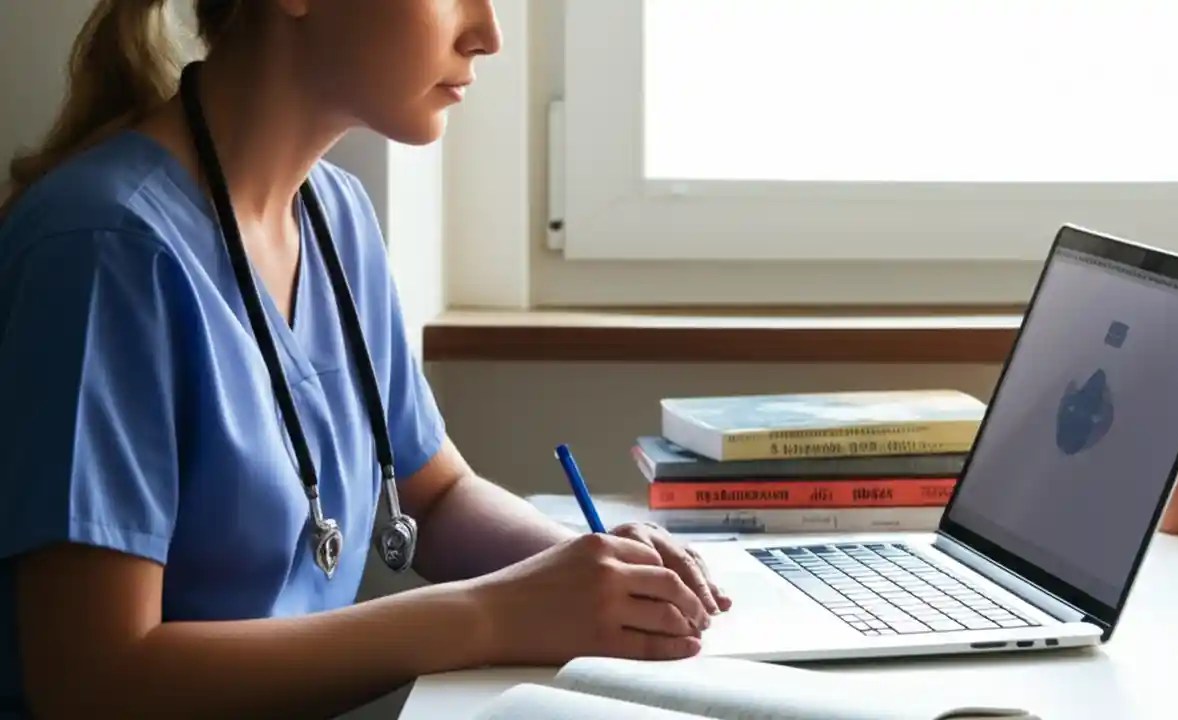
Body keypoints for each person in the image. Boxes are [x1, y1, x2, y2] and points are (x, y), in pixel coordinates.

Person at [0, 1, 731, 717]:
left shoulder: (336, 214)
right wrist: (489, 616)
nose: (488, 34)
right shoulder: (102, 251)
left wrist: (600, 574)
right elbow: (93, 681)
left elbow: (436, 496)